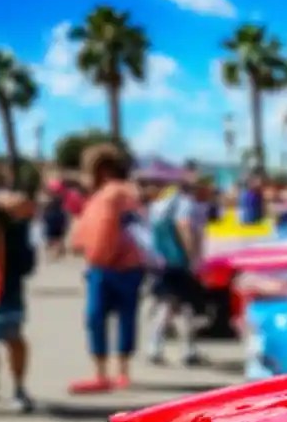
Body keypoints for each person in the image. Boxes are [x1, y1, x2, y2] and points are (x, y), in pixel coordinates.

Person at [69, 144, 145, 394]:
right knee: (125, 317)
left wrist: (95, 255)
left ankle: (102, 373)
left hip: (106, 267)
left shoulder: (108, 195)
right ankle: (123, 371)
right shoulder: (127, 192)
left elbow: (101, 231)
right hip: (130, 266)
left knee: (97, 317)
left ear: (99, 170)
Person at [146, 176, 210, 366]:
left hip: (163, 261)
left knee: (169, 304)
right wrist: (192, 257)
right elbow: (184, 226)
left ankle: (156, 346)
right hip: (180, 262)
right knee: (186, 306)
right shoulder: (186, 204)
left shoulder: (161, 204)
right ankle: (186, 350)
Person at [0, 169, 37, 413]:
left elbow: (25, 207)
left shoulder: (12, 202)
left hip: (6, 282)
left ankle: (19, 388)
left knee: (12, 336)